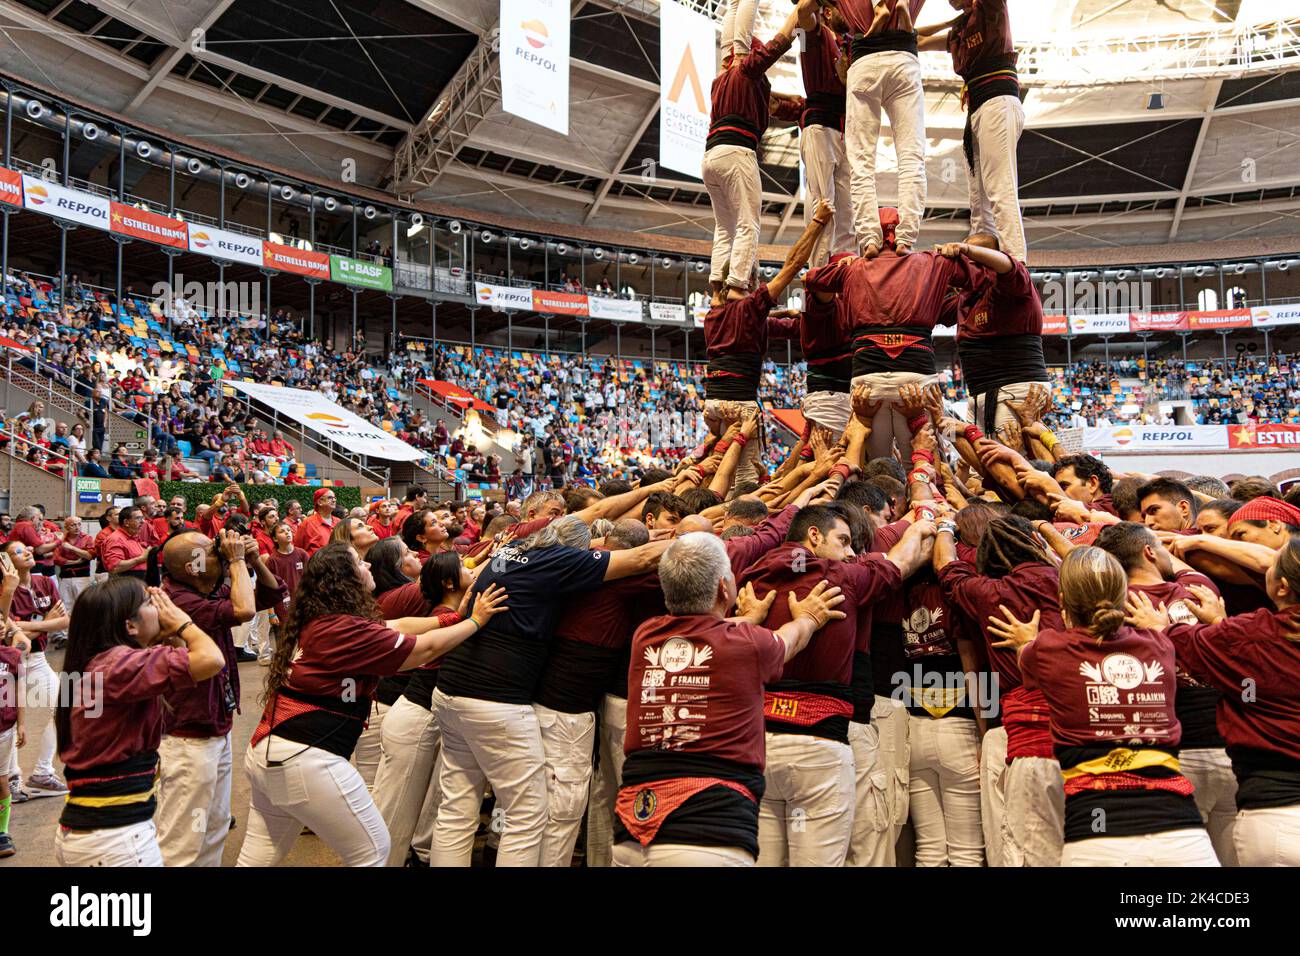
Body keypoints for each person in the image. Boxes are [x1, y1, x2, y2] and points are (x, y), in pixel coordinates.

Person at [236, 544, 508, 867]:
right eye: (359, 563)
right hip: (304, 758)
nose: (367, 565)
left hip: (268, 754)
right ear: (344, 578)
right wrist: (475, 622)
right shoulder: (344, 628)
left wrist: (456, 617)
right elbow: (422, 650)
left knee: (257, 859)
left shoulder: (327, 619)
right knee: (373, 851)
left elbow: (398, 627)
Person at [430, 516, 673, 867]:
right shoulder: (560, 560)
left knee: (456, 807)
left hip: (452, 688)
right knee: (528, 812)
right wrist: (697, 542)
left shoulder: (513, 549)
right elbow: (641, 560)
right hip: (496, 699)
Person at [613, 533, 846, 866]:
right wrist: (808, 618)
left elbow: (703, 633)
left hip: (632, 830)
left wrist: (746, 620)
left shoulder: (646, 634)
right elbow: (786, 642)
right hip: (706, 834)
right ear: (724, 588)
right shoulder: (748, 644)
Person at [989, 547, 1218, 866]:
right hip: (1182, 836)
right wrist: (1159, 626)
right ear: (1124, 595)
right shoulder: (1161, 645)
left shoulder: (1045, 650)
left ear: (1063, 602)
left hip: (1097, 840)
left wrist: (1024, 640)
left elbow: (1029, 664)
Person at [739, 503, 933, 866]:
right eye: (842, 541)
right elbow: (904, 560)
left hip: (759, 746)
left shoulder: (750, 576)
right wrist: (928, 519)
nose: (849, 552)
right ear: (814, 536)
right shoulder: (843, 576)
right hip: (820, 743)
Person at [1126, 535, 1300, 866]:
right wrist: (1221, 625)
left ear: (1282, 587)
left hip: (1276, 814)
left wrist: (1161, 628)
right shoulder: (1245, 635)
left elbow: (1193, 646)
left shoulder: (1249, 633)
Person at [53, 579, 223, 866]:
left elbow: (187, 667)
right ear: (129, 626)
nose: (161, 607)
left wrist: (168, 635)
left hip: (96, 834)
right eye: (149, 602)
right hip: (115, 841)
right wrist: (184, 623)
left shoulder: (100, 662)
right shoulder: (120, 665)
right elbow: (210, 659)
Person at [1096, 521, 1238, 865]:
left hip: (1169, 753)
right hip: (1230, 746)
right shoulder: (1199, 588)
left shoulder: (1110, 608)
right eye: (1161, 546)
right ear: (1149, 552)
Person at [155, 529, 287, 867]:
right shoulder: (177, 600)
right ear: (191, 567)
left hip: (215, 723)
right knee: (183, 836)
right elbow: (244, 611)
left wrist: (254, 560)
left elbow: (270, 596)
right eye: (210, 552)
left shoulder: (207, 588)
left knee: (213, 825)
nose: (220, 552)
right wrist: (239, 561)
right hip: (189, 734)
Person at [702, 201, 833, 488]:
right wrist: (818, 223)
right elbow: (792, 265)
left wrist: (782, 314)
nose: (760, 281)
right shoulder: (749, 308)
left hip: (713, 404)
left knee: (721, 471)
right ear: (745, 279)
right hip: (739, 404)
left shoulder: (713, 314)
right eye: (757, 277)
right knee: (745, 484)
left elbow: (775, 326)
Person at [703, 0, 816, 295]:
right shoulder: (748, 70)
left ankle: (717, 290)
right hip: (736, 153)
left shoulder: (720, 80)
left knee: (724, 226)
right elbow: (776, 45)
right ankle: (738, 285)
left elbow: (738, 54)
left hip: (710, 158)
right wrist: (797, 15)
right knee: (747, 224)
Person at [372, 550, 469, 866]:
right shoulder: (444, 615)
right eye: (465, 569)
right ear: (450, 582)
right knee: (395, 814)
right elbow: (402, 627)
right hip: (413, 719)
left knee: (407, 810)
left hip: (418, 717)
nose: (474, 572)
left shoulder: (449, 608)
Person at [918, 0, 1026, 262]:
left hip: (997, 101)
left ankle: (1017, 264)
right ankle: (985, 268)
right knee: (979, 201)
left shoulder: (989, 8)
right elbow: (916, 40)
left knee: (1000, 188)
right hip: (978, 109)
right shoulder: (959, 30)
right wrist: (948, 24)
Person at [833, 0, 927, 256]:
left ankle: (869, 239)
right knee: (911, 156)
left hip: (864, 59)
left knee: (861, 162)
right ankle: (905, 238)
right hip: (903, 57)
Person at [2, 540, 69, 796]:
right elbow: (8, 633)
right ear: (6, 562)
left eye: (27, 548)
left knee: (63, 707)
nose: (28, 551)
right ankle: (12, 779)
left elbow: (63, 619)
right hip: (9, 662)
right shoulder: (4, 590)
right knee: (8, 721)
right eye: (18, 551)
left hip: (38, 658)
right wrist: (45, 623)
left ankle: (42, 773)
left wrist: (26, 626)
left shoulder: (45, 583)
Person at [53, 515, 95, 612]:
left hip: (82, 576)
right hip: (65, 576)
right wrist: (75, 561)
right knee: (65, 606)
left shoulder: (87, 538)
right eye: (73, 525)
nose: (77, 527)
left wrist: (72, 548)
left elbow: (90, 556)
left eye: (79, 524)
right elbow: (56, 559)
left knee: (83, 606)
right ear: (67, 527)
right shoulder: (61, 539)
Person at [294, 488, 340, 556]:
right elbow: (298, 550)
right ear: (320, 502)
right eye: (330, 497)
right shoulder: (307, 524)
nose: (334, 500)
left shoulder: (339, 522)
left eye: (334, 497)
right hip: (316, 565)